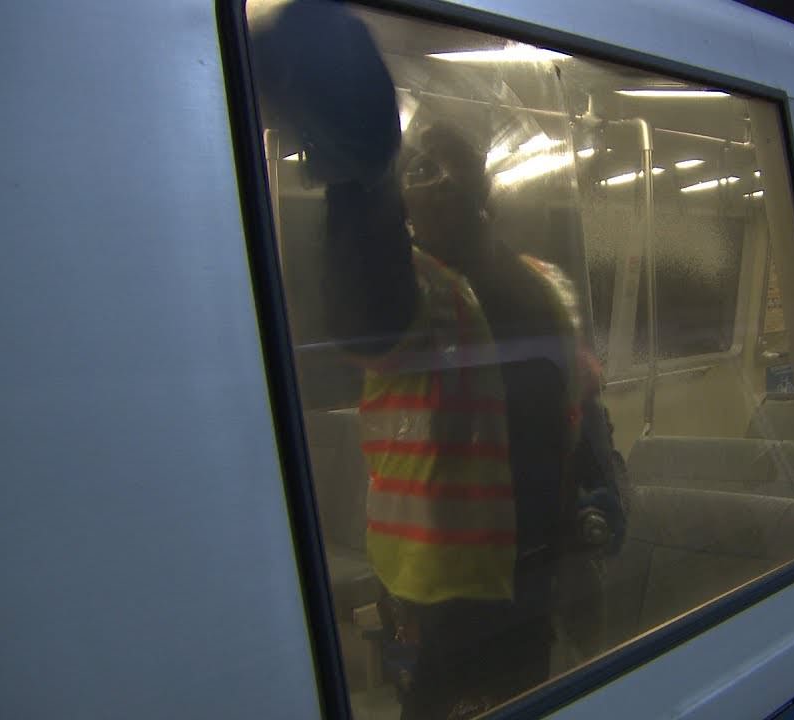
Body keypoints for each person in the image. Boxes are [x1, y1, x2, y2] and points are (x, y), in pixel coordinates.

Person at [250, 3, 528, 717]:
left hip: (471, 586)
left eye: (447, 170)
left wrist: (358, 172)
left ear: (483, 195)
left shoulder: (469, 292)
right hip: (426, 580)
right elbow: (369, 303)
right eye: (419, 169)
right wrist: (359, 176)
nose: (431, 182)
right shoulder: (445, 287)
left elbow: (372, 309)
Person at [399, 123, 626, 673]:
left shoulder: (431, 292)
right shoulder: (540, 283)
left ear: (466, 200)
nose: (416, 217)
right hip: (513, 551)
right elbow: (577, 403)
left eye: (427, 192)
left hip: (474, 566)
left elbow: (569, 403)